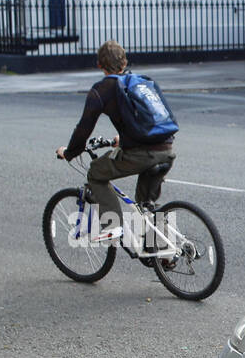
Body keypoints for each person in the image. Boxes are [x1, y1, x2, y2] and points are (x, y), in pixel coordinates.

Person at [55, 40, 175, 246]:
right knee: (147, 205)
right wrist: (125, 138)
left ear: (100, 65)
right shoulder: (139, 82)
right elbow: (147, 119)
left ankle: (113, 226)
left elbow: (84, 128)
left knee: (96, 172)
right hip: (166, 148)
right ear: (124, 62)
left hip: (142, 153)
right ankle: (163, 253)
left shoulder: (103, 89)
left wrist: (70, 152)